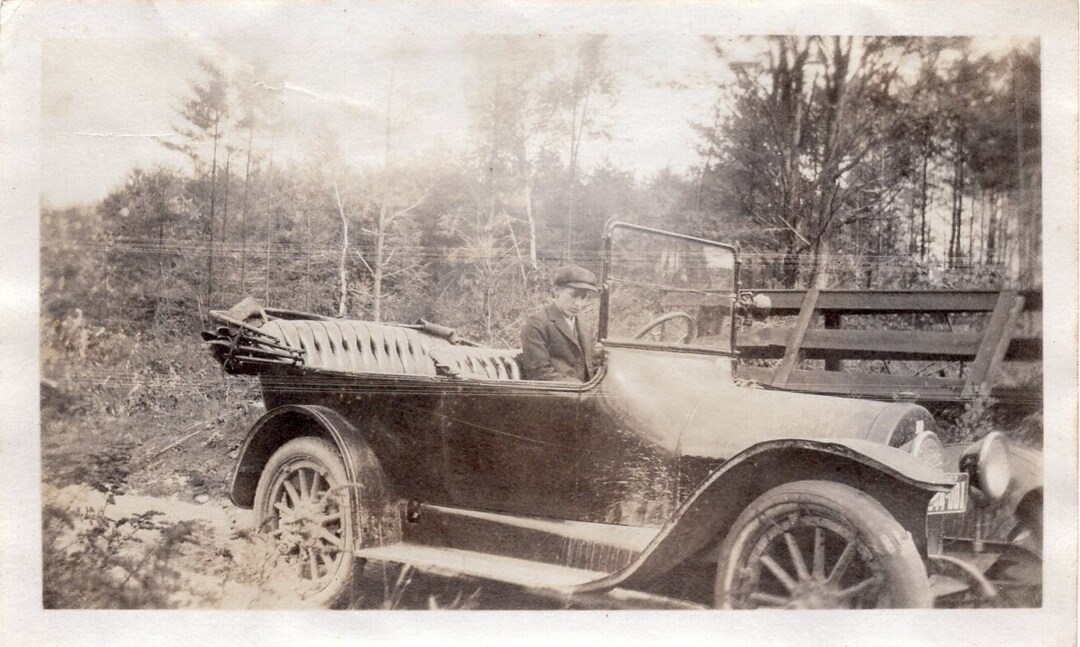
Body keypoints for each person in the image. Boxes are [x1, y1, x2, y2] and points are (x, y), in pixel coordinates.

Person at [520, 264, 600, 382]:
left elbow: (591, 367)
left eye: (584, 297)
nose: (578, 303)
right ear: (556, 291)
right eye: (573, 295)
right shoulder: (537, 323)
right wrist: (580, 388)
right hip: (556, 396)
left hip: (584, 394)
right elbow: (539, 372)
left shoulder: (585, 327)